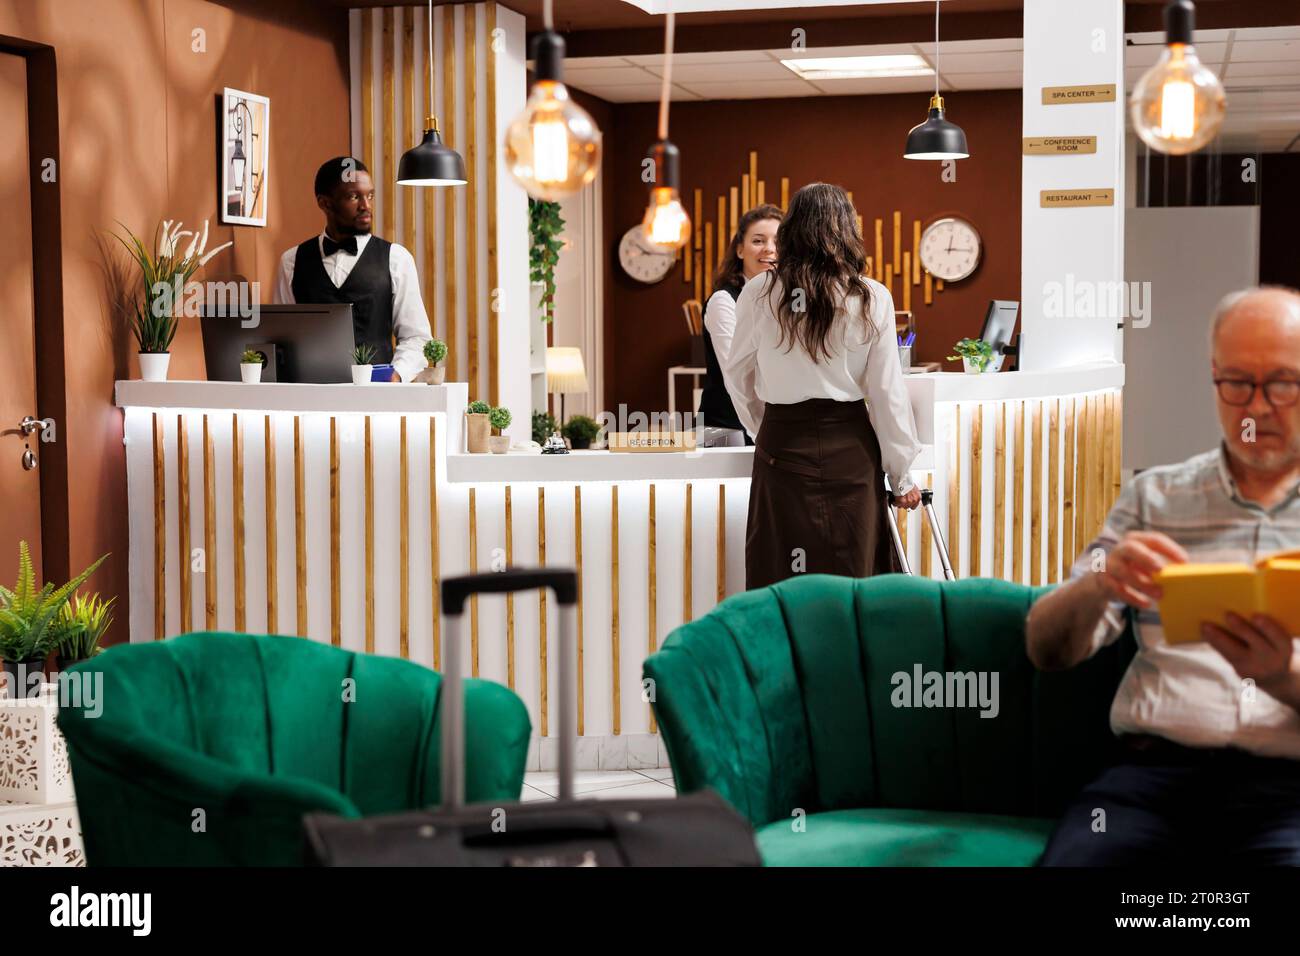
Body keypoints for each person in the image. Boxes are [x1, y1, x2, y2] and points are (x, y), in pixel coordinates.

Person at [1028, 286, 1300, 866]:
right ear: (1213, 375)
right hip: (1150, 778)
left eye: (1282, 382)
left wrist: (1283, 678)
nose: (1257, 408)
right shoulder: (1156, 497)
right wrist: (1101, 580)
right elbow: (1046, 648)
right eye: (1237, 383)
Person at [723, 183, 923, 591]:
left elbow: (738, 374)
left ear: (791, 229)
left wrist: (764, 429)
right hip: (850, 448)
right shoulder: (871, 297)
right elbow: (887, 393)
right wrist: (901, 477)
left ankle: (787, 655)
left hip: (782, 446)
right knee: (855, 579)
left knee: (781, 578)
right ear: (847, 230)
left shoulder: (759, 291)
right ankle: (850, 654)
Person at [274, 157, 431, 382]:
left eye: (370, 196)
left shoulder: (396, 258)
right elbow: (282, 338)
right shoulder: (291, 261)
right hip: (311, 399)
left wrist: (395, 375)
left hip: (377, 401)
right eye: (354, 196)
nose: (366, 206)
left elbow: (417, 337)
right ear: (325, 203)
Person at [698, 204, 782, 443]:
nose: (769, 249)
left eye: (778, 242)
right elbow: (738, 378)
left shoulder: (788, 301)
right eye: (758, 241)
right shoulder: (723, 302)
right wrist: (767, 435)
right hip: (727, 431)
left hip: (771, 430)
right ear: (739, 250)